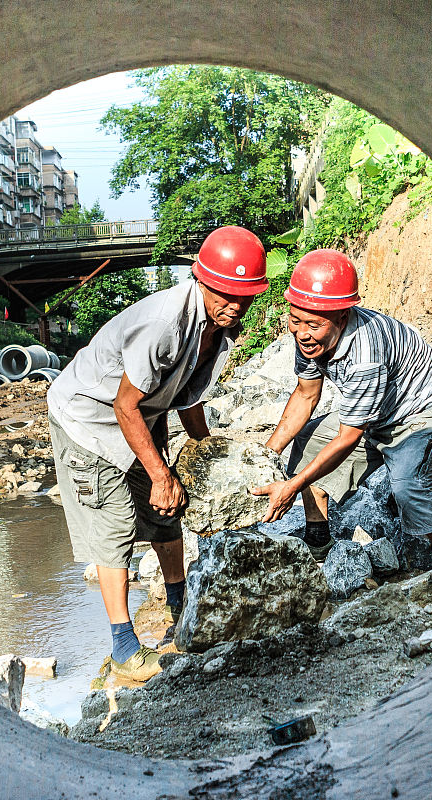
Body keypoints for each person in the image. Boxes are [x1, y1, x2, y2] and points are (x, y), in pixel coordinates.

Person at [47, 226, 270, 680]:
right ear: (200, 279)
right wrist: (161, 473)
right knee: (117, 524)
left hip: (139, 418)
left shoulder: (220, 327)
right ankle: (125, 649)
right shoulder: (166, 323)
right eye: (223, 293)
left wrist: (206, 451)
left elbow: (187, 396)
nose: (233, 304)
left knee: (168, 508)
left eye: (243, 297)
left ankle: (178, 602)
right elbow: (123, 405)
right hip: (90, 419)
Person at [251, 249, 432, 617]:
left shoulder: (364, 353)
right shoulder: (308, 338)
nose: (301, 332)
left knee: (409, 489)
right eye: (294, 320)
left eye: (313, 325)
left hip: (428, 413)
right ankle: (318, 539)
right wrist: (265, 457)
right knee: (310, 441)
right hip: (379, 412)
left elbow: (348, 438)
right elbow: (305, 394)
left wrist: (292, 485)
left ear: (341, 316)